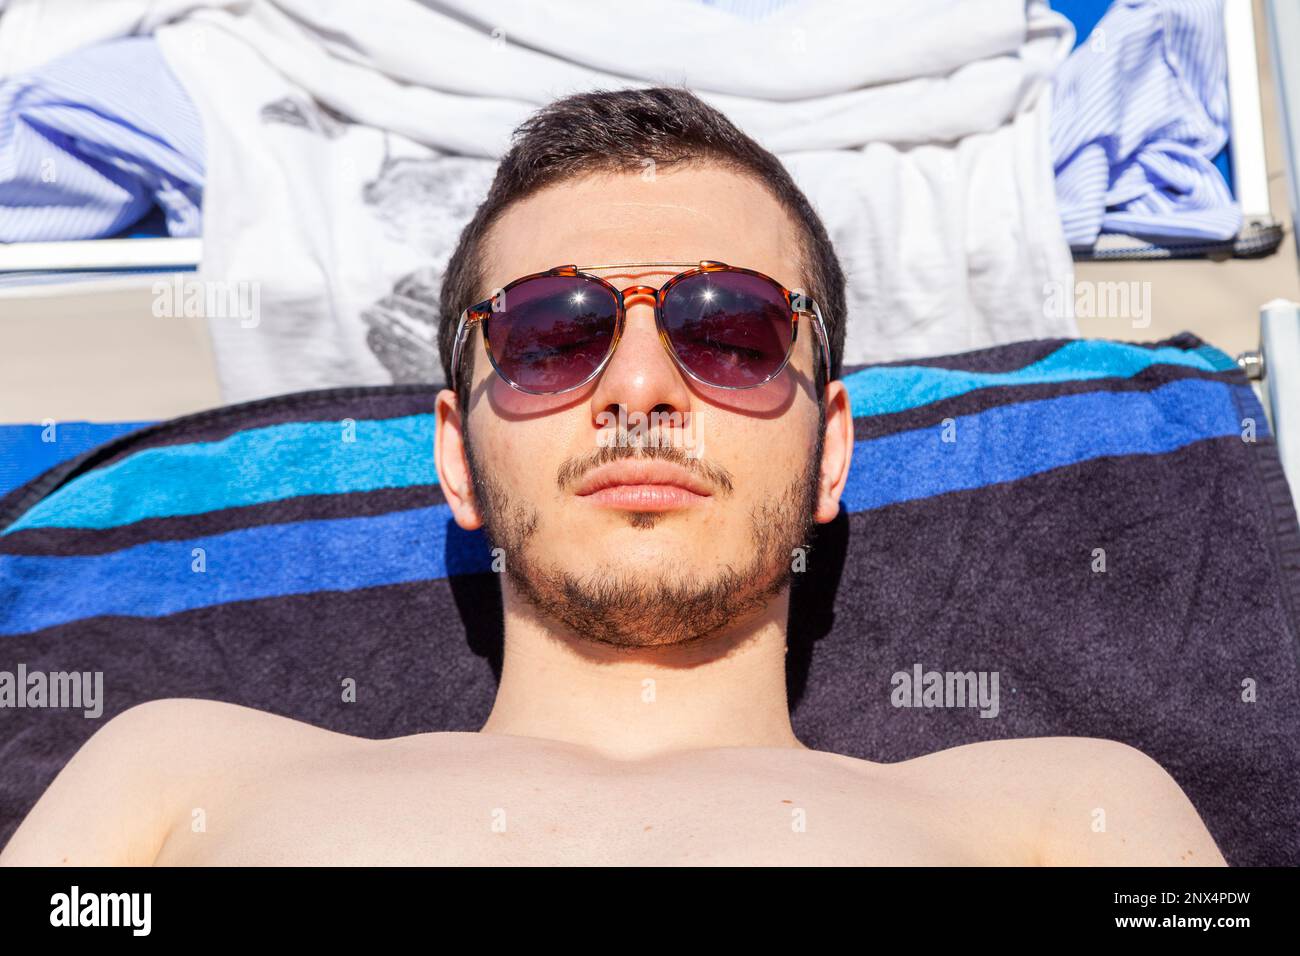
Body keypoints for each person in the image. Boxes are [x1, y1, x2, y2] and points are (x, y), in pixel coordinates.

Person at [0, 88, 1224, 866]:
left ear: (833, 444)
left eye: (731, 328)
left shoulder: (1067, 810)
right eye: (552, 333)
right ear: (454, 453)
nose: (640, 385)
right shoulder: (178, 777)